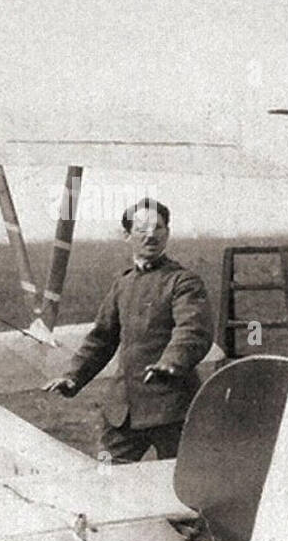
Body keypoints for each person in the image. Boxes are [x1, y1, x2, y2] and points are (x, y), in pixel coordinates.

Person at [44, 198, 214, 462]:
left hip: (172, 409)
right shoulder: (122, 284)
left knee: (183, 488)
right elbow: (102, 338)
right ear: (126, 235)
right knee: (106, 481)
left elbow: (192, 330)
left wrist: (171, 363)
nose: (151, 235)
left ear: (167, 233)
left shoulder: (183, 282)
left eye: (158, 227)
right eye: (142, 229)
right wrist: (73, 377)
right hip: (122, 413)